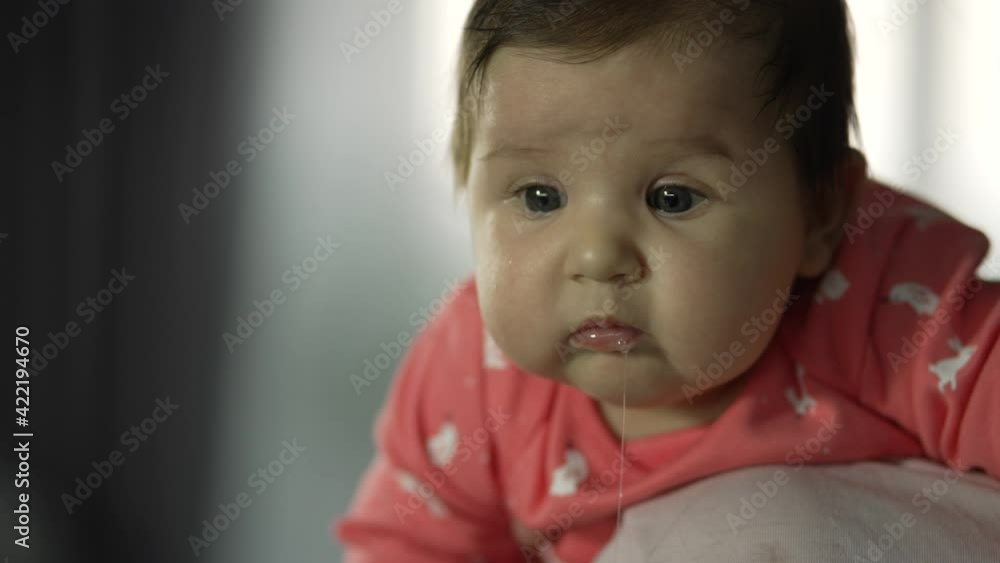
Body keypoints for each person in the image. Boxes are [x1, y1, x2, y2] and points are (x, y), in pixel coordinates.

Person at [336, 1, 1000, 561]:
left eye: (673, 198)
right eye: (539, 196)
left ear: (821, 213)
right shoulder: (472, 375)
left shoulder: (884, 303)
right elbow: (408, 543)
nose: (598, 257)